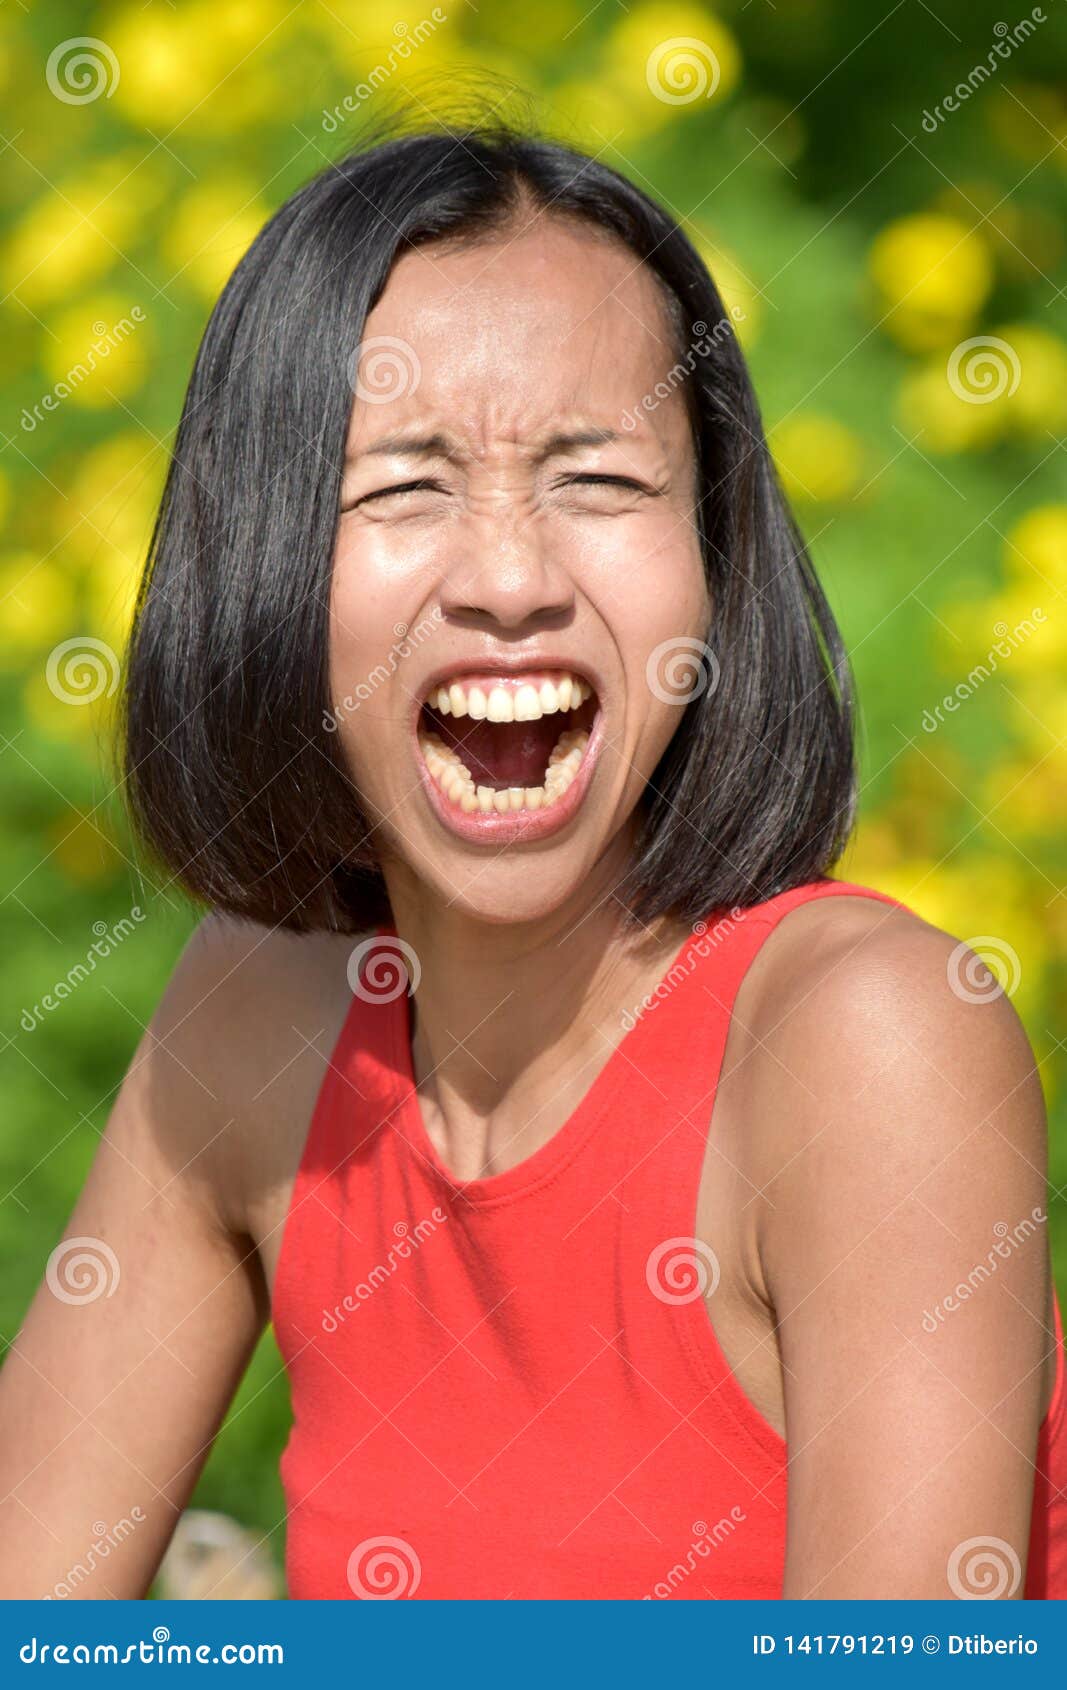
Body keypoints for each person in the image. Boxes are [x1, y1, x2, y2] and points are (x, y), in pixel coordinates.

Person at [1, 116, 1063, 1601]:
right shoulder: (262, 1010)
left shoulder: (866, 1040)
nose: (511, 578)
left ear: (714, 559)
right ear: (259, 562)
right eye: (404, 485)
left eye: (602, 482)